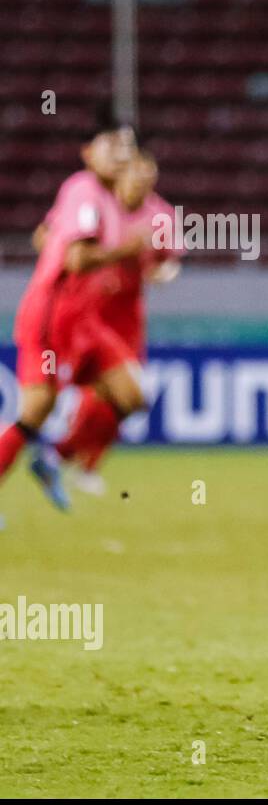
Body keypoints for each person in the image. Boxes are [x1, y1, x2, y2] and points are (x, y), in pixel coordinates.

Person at [0, 111, 150, 511]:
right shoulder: (85, 191)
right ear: (87, 152)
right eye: (111, 147)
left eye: (126, 149)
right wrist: (126, 251)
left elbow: (43, 234)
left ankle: (53, 458)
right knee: (37, 408)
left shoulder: (108, 199)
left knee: (132, 395)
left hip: (85, 320)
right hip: (53, 316)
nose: (120, 156)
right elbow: (78, 259)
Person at [54, 150, 181, 493]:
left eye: (148, 179)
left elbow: (170, 262)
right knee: (117, 393)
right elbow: (65, 241)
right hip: (90, 310)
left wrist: (161, 273)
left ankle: (79, 461)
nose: (141, 185)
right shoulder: (97, 203)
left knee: (119, 398)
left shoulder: (162, 216)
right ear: (123, 176)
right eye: (136, 176)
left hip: (127, 312)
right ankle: (62, 454)